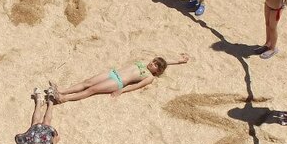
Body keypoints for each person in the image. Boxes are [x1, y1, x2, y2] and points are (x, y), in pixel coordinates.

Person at [49, 54, 190, 104]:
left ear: (157, 70)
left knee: (92, 89)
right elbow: (164, 60)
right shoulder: (146, 62)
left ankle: (64, 99)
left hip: (117, 82)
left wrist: (121, 91)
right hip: (113, 73)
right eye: (153, 61)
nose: (151, 63)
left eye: (154, 64)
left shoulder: (149, 77)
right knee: (88, 82)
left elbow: (135, 86)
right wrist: (179, 61)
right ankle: (62, 90)